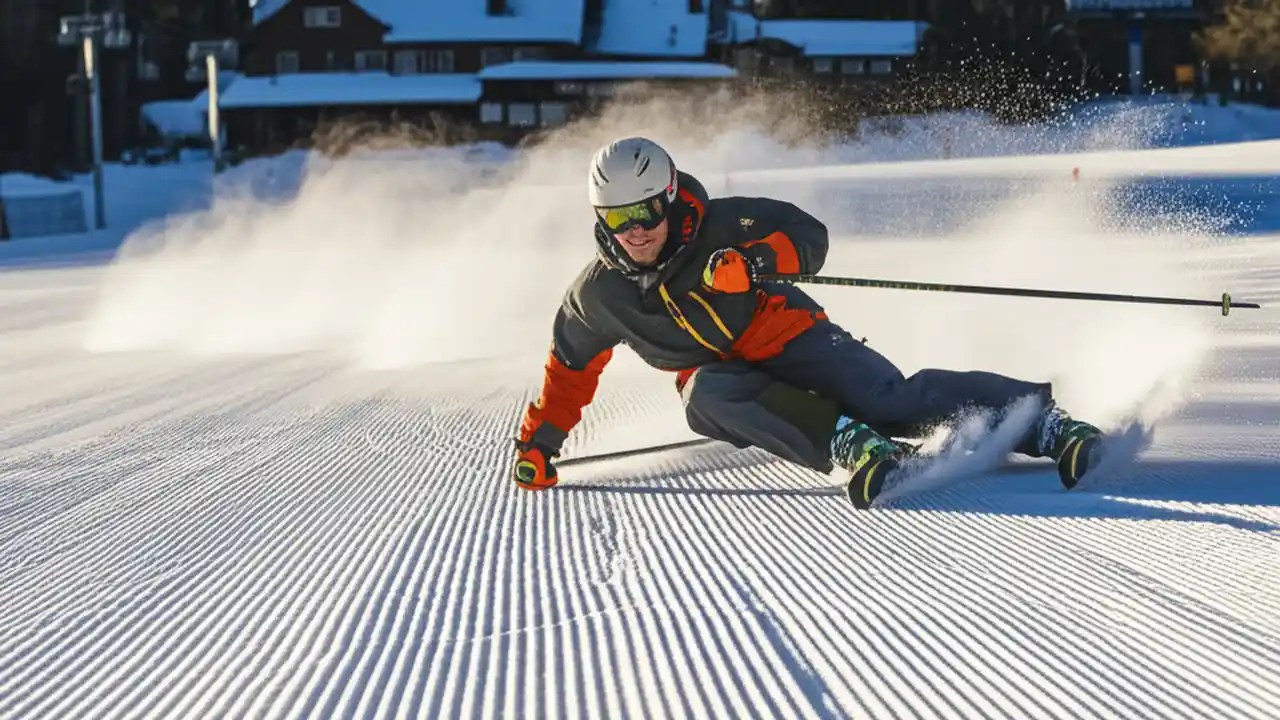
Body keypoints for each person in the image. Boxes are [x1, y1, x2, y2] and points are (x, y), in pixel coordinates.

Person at [513, 137, 1103, 508]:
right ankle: (852, 445)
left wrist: (755, 263)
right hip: (726, 377)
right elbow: (568, 371)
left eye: (646, 211)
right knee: (702, 397)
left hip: (790, 333)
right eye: (618, 218)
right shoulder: (598, 295)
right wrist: (541, 445)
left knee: (890, 401)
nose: (635, 229)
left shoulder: (721, 224)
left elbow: (808, 235)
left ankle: (1045, 425)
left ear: (668, 198)